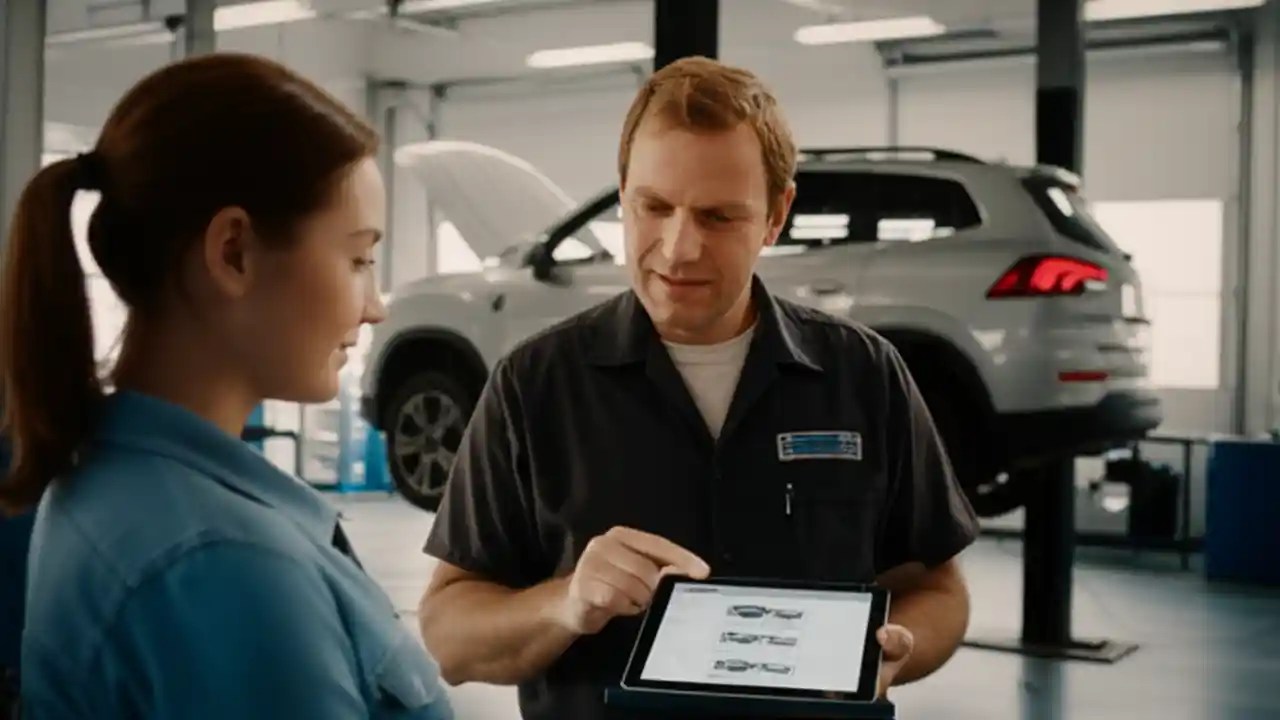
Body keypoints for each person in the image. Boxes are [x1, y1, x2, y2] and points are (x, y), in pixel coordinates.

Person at [418, 56, 980, 720]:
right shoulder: (535, 385)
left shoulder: (864, 375)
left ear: (777, 215)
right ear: (622, 192)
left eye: (719, 218)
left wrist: (894, 655)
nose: (678, 248)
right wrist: (567, 602)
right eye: (653, 207)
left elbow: (938, 588)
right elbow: (450, 636)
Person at [0, 53, 452, 720]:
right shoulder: (224, 567)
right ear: (234, 252)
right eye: (357, 258)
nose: (375, 305)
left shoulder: (106, 483)